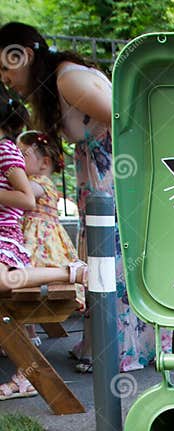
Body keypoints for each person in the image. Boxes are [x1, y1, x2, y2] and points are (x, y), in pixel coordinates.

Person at [0, 22, 170, 374]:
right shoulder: (59, 83)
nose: (4, 78)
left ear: (25, 56)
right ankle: (110, 345)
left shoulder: (68, 79)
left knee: (114, 263)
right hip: (100, 180)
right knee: (106, 262)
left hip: (115, 180)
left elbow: (133, 121)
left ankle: (122, 350)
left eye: (5, 66)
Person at [0, 87, 87, 399]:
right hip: (28, 244)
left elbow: (27, 198)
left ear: (45, 161)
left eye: (27, 156)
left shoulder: (40, 184)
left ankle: (27, 368)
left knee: (13, 295)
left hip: (34, 245)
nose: (21, 163)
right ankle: (25, 357)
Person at [18, 130, 85, 310]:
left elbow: (26, 194)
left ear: (45, 162)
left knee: (26, 272)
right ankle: (29, 328)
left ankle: (30, 327)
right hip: (37, 235)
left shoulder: (39, 181)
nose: (16, 159)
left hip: (39, 240)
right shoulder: (36, 180)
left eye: (22, 154)